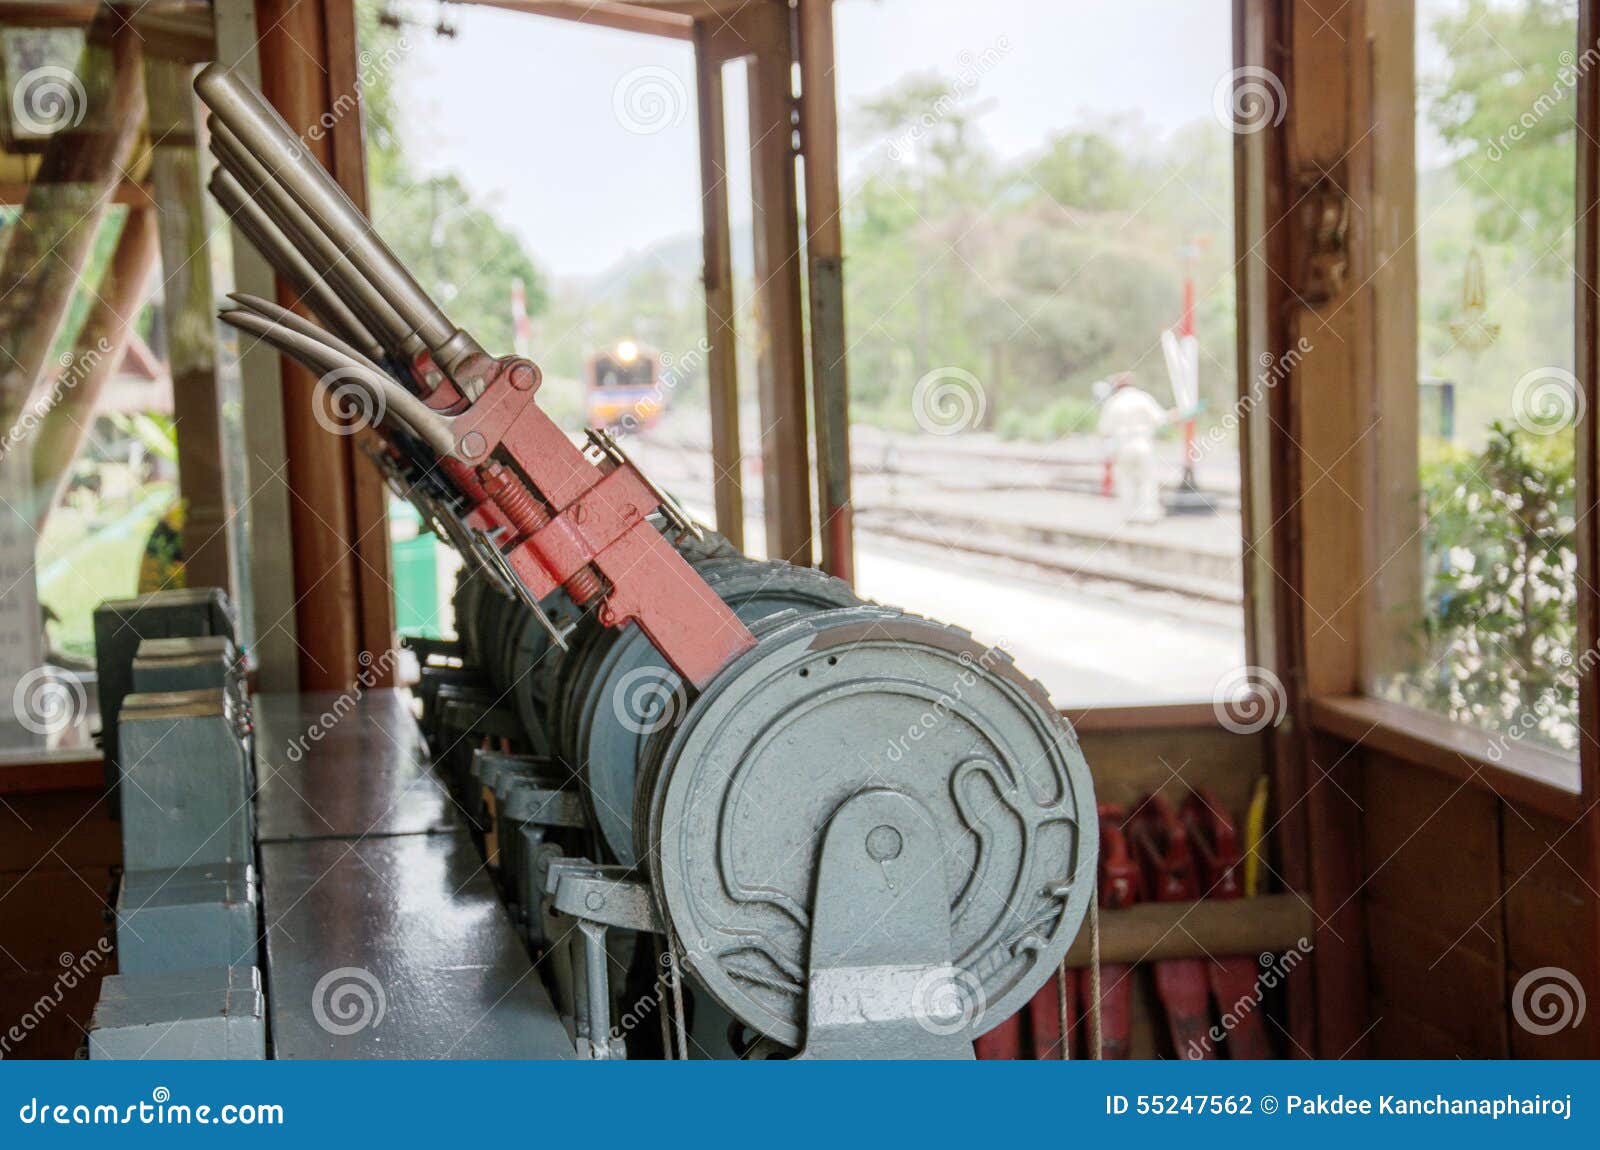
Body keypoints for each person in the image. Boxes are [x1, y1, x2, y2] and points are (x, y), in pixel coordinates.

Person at [1097, 373, 1170, 524]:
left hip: (1123, 446)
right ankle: (1148, 514)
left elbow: (1104, 429)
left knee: (1126, 481)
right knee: (1147, 480)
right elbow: (1160, 420)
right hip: (1143, 443)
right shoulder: (1143, 398)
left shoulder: (1113, 402)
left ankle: (1129, 514)